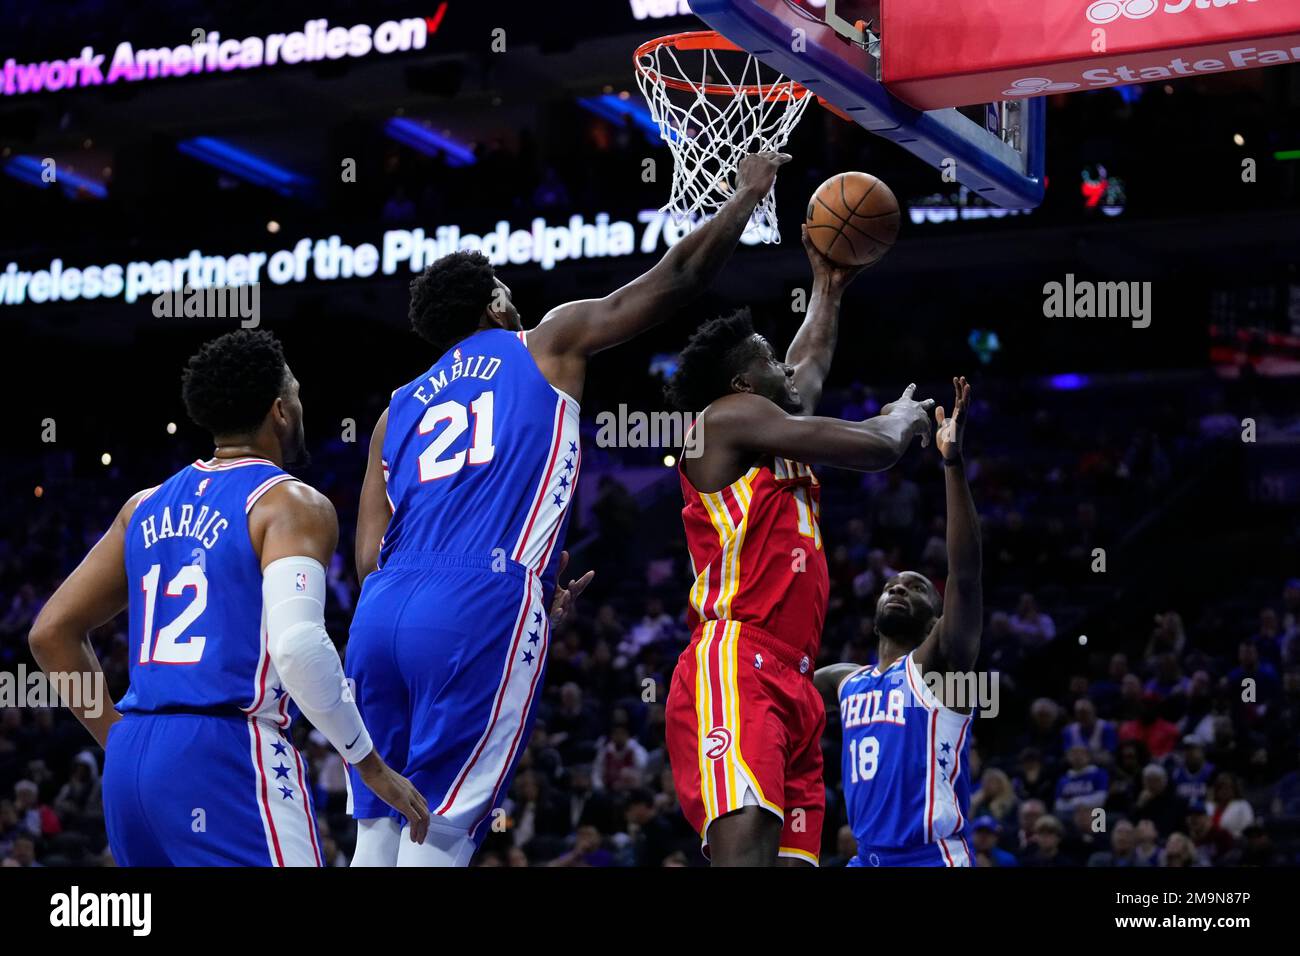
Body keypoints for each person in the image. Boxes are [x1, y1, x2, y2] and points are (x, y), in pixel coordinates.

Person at [346, 152, 791, 867]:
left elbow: (369, 557)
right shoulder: (544, 341)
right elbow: (674, 281)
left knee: (379, 825)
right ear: (493, 304)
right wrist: (745, 198)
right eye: (504, 286)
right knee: (442, 831)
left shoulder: (395, 409)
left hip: (381, 616)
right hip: (476, 604)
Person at [27, 331, 429, 866]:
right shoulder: (289, 502)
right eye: (298, 394)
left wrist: (116, 737)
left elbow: (49, 633)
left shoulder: (142, 507)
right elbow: (300, 647)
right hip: (228, 753)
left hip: (132, 767)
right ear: (279, 411)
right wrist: (368, 763)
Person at [660, 226, 936, 867]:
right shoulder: (722, 423)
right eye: (767, 359)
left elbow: (807, 365)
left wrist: (828, 285)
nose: (783, 366)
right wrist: (900, 418)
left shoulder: (773, 434)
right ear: (740, 383)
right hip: (736, 660)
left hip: (797, 679)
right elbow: (876, 449)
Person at [815, 377, 981, 867]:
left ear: (935, 620)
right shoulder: (845, 681)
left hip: (929, 857)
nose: (898, 587)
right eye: (891, 585)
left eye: (915, 587)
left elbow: (966, 577)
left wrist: (952, 465)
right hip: (866, 858)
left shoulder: (939, 666)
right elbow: (772, 688)